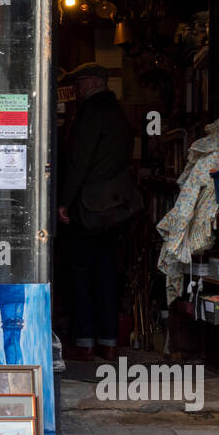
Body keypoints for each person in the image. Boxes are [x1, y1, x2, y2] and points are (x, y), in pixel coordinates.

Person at [57, 63, 140, 360]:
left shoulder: (90, 112)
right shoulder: (118, 112)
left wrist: (64, 201)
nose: (76, 90)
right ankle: (108, 341)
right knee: (106, 272)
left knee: (80, 272)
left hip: (88, 206)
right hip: (115, 206)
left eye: (79, 84)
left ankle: (84, 343)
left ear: (92, 82)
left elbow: (79, 162)